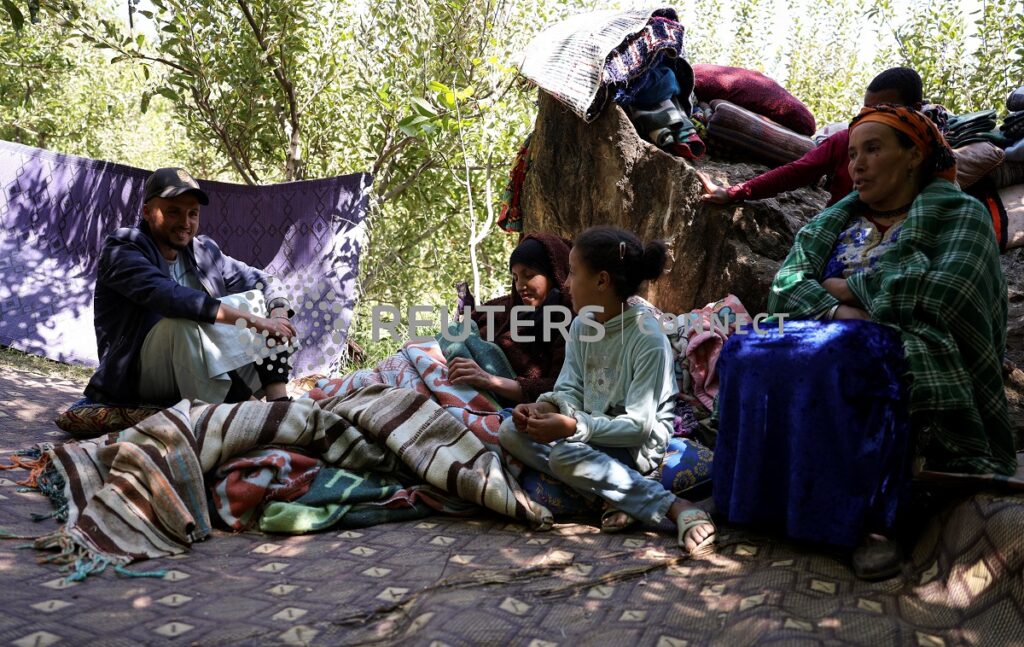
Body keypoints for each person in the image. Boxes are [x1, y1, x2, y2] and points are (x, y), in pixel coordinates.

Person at [713, 105, 1015, 579]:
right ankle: (757, 502)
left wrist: (846, 287)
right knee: (742, 347)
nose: (857, 165)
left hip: (918, 341)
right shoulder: (832, 221)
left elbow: (949, 294)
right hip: (835, 328)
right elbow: (786, 288)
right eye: (853, 154)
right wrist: (842, 311)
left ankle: (872, 522)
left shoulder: (962, 215)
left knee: (848, 355)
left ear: (914, 156)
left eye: (873, 150)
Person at [498, 226, 716, 555]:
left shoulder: (647, 337)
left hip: (636, 445)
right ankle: (615, 496)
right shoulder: (582, 325)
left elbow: (638, 427)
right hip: (590, 431)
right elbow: (569, 388)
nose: (566, 284)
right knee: (509, 431)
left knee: (563, 457)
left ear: (602, 281)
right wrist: (543, 409)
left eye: (573, 273)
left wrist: (573, 427)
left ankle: (673, 506)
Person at [85, 167, 297, 407]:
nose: (185, 223)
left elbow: (266, 281)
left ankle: (279, 401)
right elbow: (172, 298)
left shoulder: (203, 251)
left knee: (258, 299)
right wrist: (254, 322)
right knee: (184, 321)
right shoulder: (124, 247)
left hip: (200, 371)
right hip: (138, 378)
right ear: (147, 211)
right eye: (173, 212)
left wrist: (278, 316)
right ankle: (252, 410)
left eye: (193, 213)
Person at [699, 67, 924, 207]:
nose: (871, 118)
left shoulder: (930, 158)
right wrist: (733, 193)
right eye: (867, 110)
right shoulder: (846, 140)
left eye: (883, 110)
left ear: (914, 110)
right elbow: (798, 171)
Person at [446, 233, 576, 403]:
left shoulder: (570, 322)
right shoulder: (510, 308)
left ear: (553, 273)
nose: (520, 286)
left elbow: (560, 389)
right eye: (515, 278)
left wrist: (488, 379)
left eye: (528, 275)